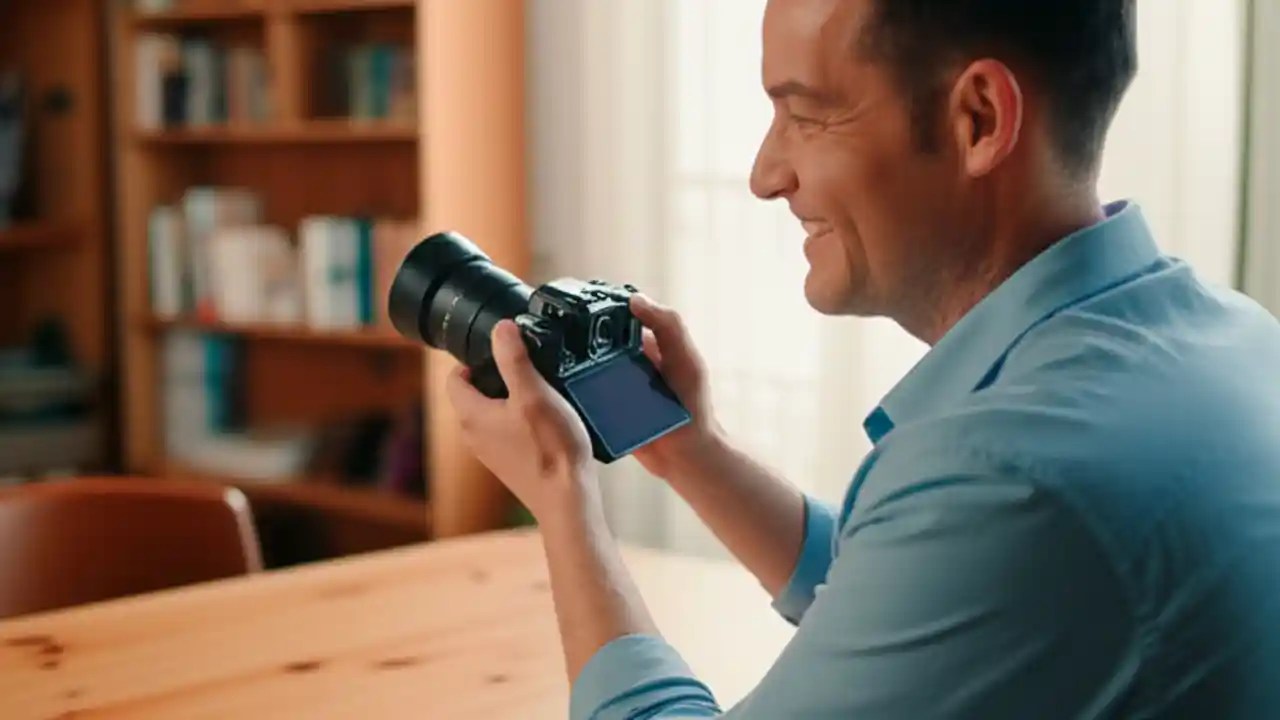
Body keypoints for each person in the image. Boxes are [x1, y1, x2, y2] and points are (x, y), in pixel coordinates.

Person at [445, 0, 1280, 717]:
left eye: (806, 115)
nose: (765, 174)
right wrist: (693, 453)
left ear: (979, 119)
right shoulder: (1237, 338)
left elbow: (988, 531)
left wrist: (562, 497)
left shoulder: (1013, 470)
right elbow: (911, 594)